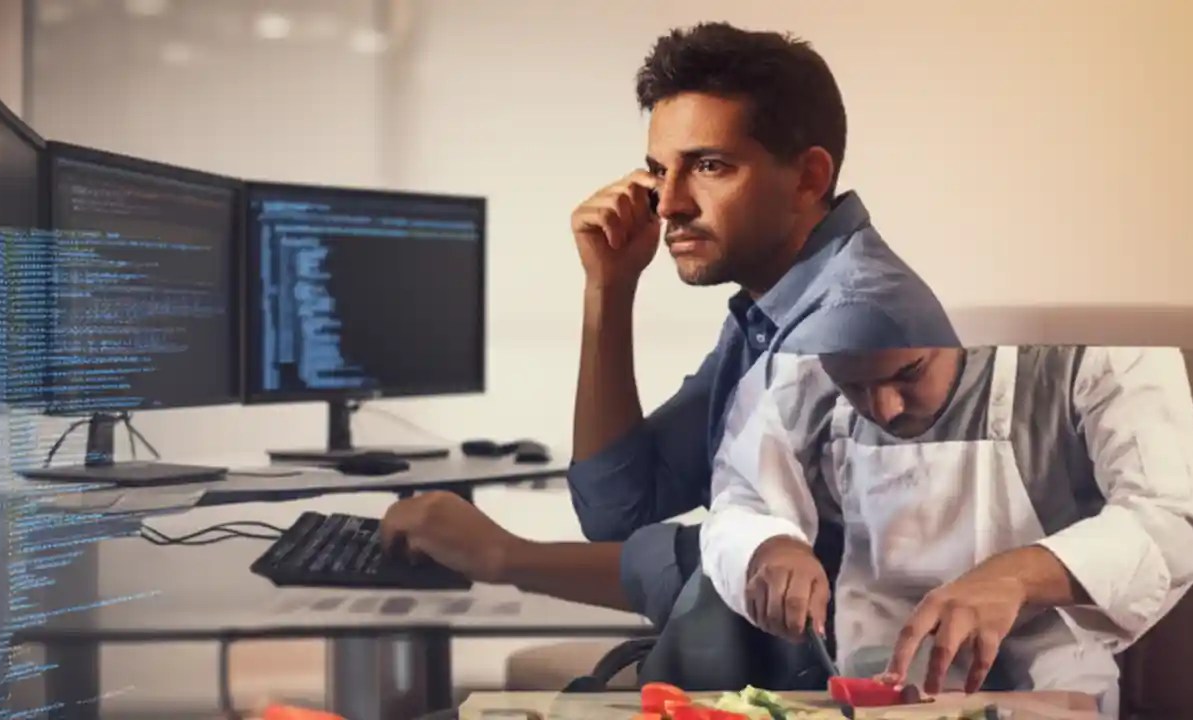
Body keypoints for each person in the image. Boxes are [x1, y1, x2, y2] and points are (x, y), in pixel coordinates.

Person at [381, 21, 958, 654]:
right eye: (660, 171)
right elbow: (619, 508)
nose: (668, 204)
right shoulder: (773, 305)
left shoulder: (848, 324)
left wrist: (504, 556)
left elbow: (755, 585)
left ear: (808, 178)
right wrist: (609, 287)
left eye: (709, 166)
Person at [700, 345, 1193, 716]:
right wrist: (766, 546)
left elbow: (1168, 519)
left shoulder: (1098, 343)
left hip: (1056, 683)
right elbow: (742, 494)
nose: (884, 410)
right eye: (853, 387)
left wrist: (1018, 576)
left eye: (909, 373)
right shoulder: (803, 351)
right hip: (876, 682)